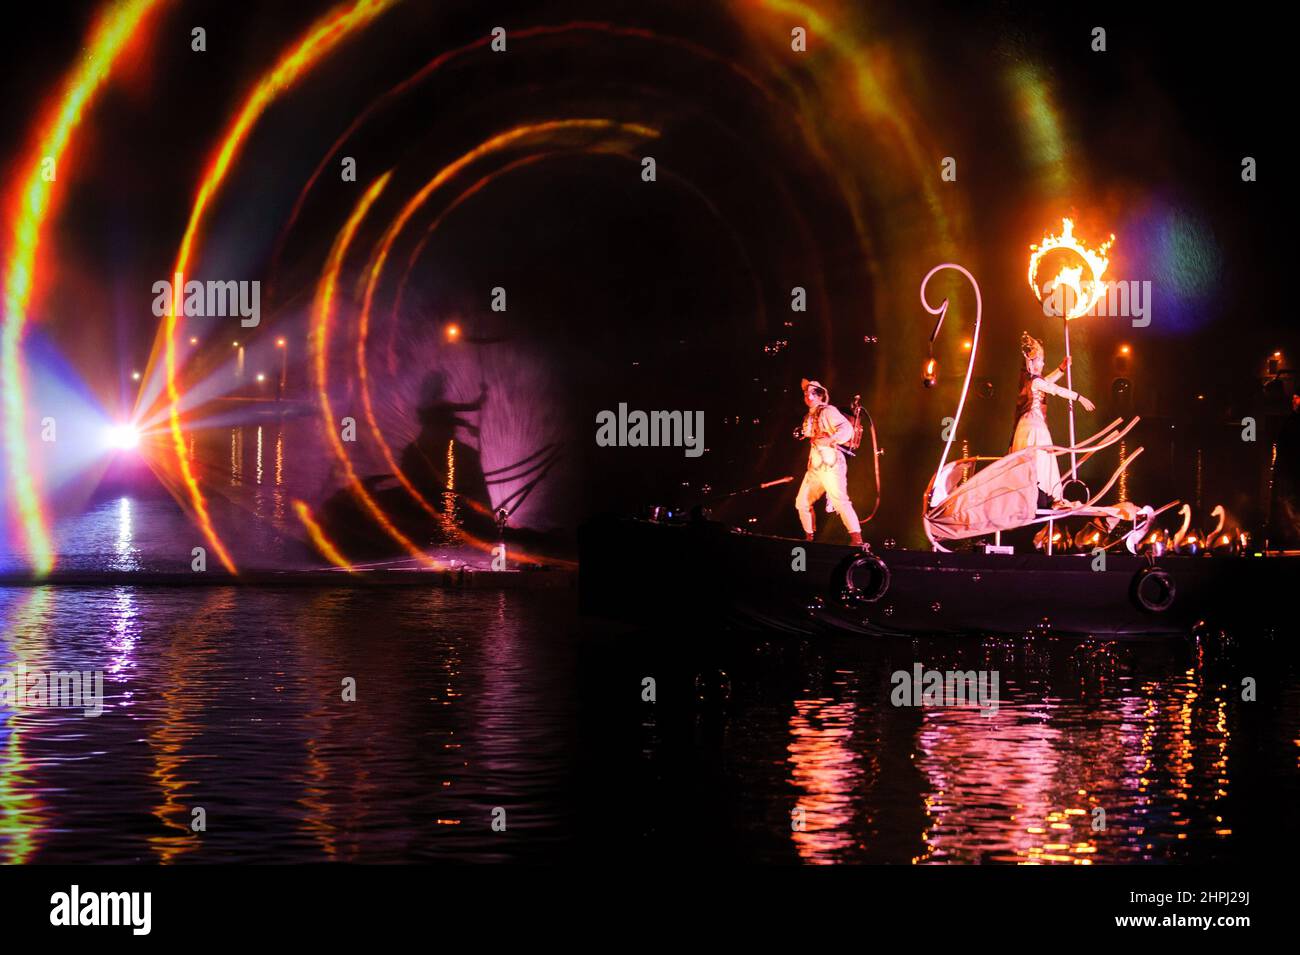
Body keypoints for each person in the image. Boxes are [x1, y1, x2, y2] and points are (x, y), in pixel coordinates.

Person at [1010, 332, 1095, 507]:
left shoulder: (1032, 381)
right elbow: (1053, 388)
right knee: (1040, 461)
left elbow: (1047, 381)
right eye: (1040, 360)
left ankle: (1039, 497)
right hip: (1033, 428)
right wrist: (1079, 397)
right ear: (1031, 363)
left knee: (1039, 462)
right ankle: (1040, 498)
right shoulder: (1034, 382)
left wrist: (1062, 368)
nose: (1043, 363)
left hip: (1029, 426)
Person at [795, 378, 863, 545]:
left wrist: (831, 439)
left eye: (812, 394)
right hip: (815, 466)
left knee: (840, 500)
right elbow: (811, 432)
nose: (808, 397)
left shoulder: (828, 411)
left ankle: (857, 540)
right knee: (802, 502)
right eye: (806, 394)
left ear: (819, 396)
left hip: (831, 464)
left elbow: (846, 429)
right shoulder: (808, 416)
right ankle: (809, 539)